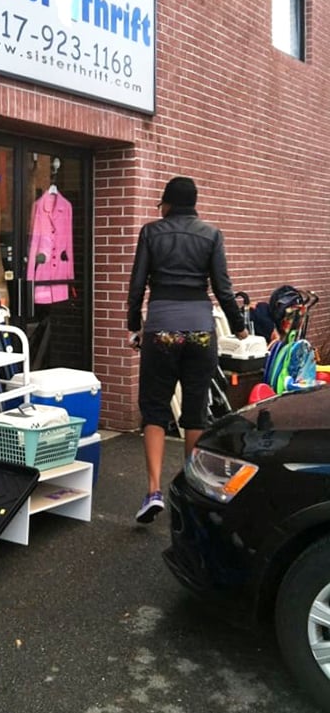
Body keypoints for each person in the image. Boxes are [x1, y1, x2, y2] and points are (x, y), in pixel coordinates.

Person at [126, 176, 248, 523]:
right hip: (200, 331)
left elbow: (137, 285)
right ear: (193, 205)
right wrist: (239, 327)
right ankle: (191, 493)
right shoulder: (211, 235)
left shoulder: (151, 232)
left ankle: (153, 491)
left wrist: (134, 326)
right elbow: (224, 289)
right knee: (195, 411)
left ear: (166, 204)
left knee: (153, 408)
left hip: (161, 328)